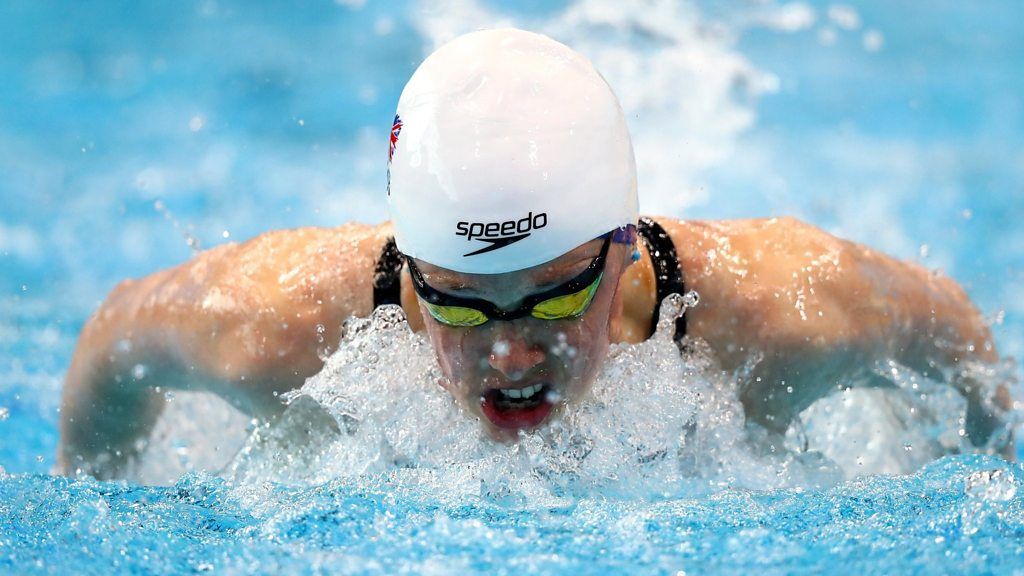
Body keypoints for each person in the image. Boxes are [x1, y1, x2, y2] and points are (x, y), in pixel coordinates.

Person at [57, 29, 1012, 478]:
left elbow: (956, 332)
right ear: (413, 271)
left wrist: (990, 455)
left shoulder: (784, 312)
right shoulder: (268, 324)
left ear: (625, 252)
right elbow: (112, 338)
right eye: (464, 306)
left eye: (553, 300)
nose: (510, 355)